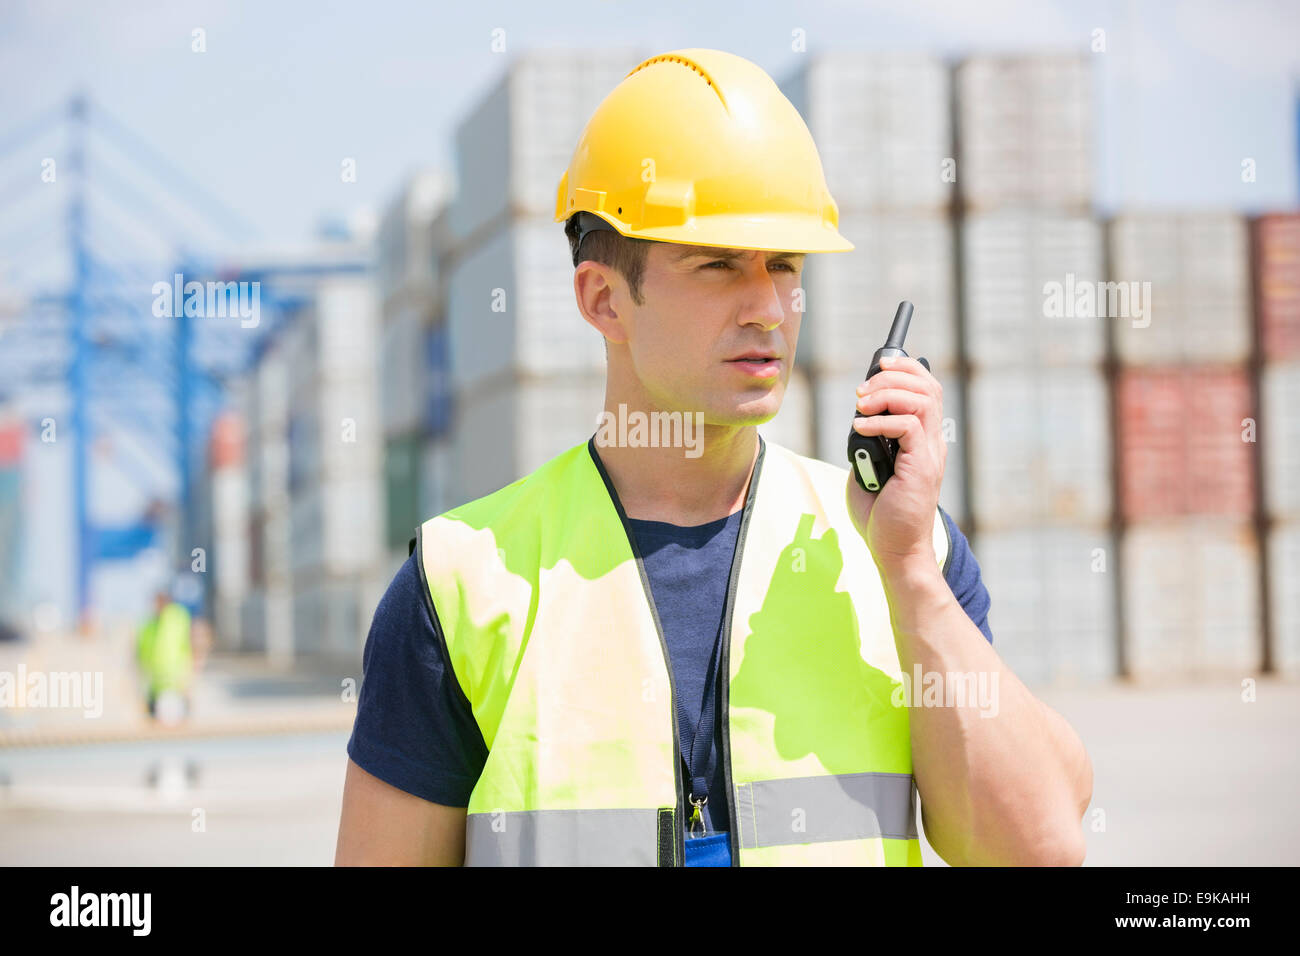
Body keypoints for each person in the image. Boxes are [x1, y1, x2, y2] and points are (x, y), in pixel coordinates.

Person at [336, 48, 1092, 867]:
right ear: (603, 299)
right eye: (720, 265)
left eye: (785, 266)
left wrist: (910, 574)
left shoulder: (904, 552)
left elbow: (1039, 849)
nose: (768, 306)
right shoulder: (462, 585)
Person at [136, 589, 194, 725]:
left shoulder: (178, 620)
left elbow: (188, 650)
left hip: (176, 687)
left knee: (178, 727)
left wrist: (188, 684)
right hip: (155, 688)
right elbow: (141, 660)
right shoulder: (147, 626)